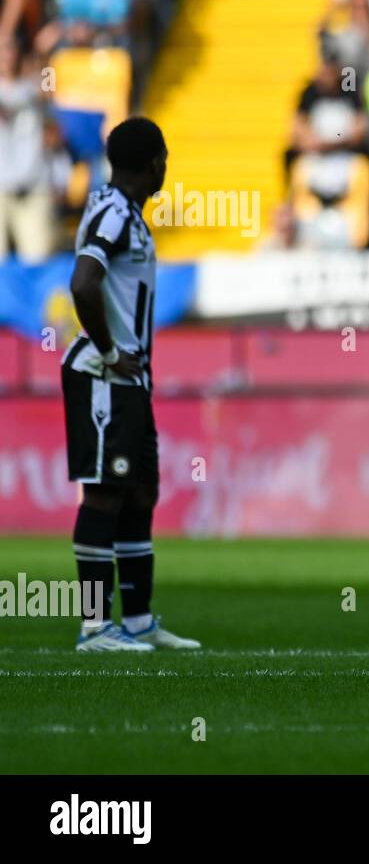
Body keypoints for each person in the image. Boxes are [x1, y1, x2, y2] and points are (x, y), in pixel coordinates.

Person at [62, 117, 200, 652]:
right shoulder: (115, 211)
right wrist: (109, 349)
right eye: (164, 157)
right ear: (155, 162)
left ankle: (138, 621)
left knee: (140, 491)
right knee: (102, 494)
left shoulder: (129, 216)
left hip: (130, 378)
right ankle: (95, 627)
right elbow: (83, 280)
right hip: (104, 376)